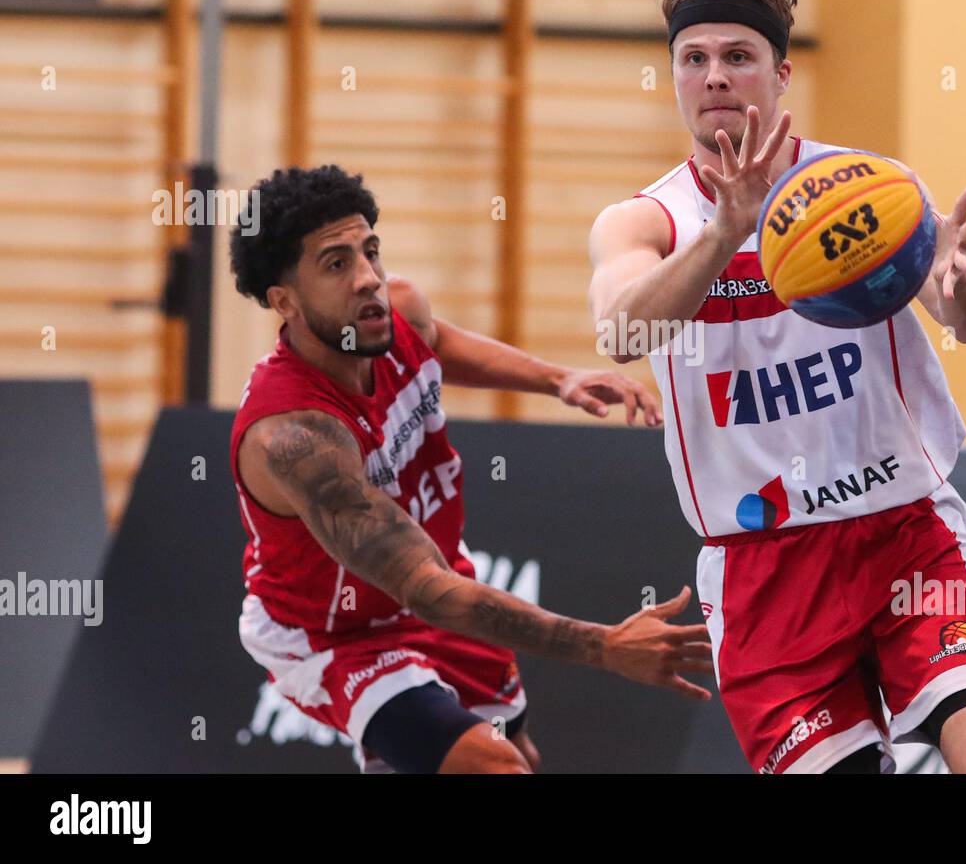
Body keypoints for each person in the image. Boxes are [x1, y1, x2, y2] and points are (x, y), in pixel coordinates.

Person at [586, 0, 966, 774]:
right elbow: (619, 332)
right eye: (695, 59)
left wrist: (961, 284)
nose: (715, 76)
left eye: (738, 57)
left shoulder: (863, 191)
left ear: (781, 74)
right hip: (765, 571)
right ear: (675, 76)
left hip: (905, 536)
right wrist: (726, 233)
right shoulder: (644, 221)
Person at [229, 164, 712, 774]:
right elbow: (425, 592)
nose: (368, 279)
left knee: (521, 756)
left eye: (369, 252)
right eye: (336, 264)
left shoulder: (392, 310)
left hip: (436, 581)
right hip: (339, 633)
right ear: (284, 302)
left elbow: (437, 341)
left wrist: (558, 378)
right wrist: (606, 645)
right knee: (493, 766)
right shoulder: (295, 438)